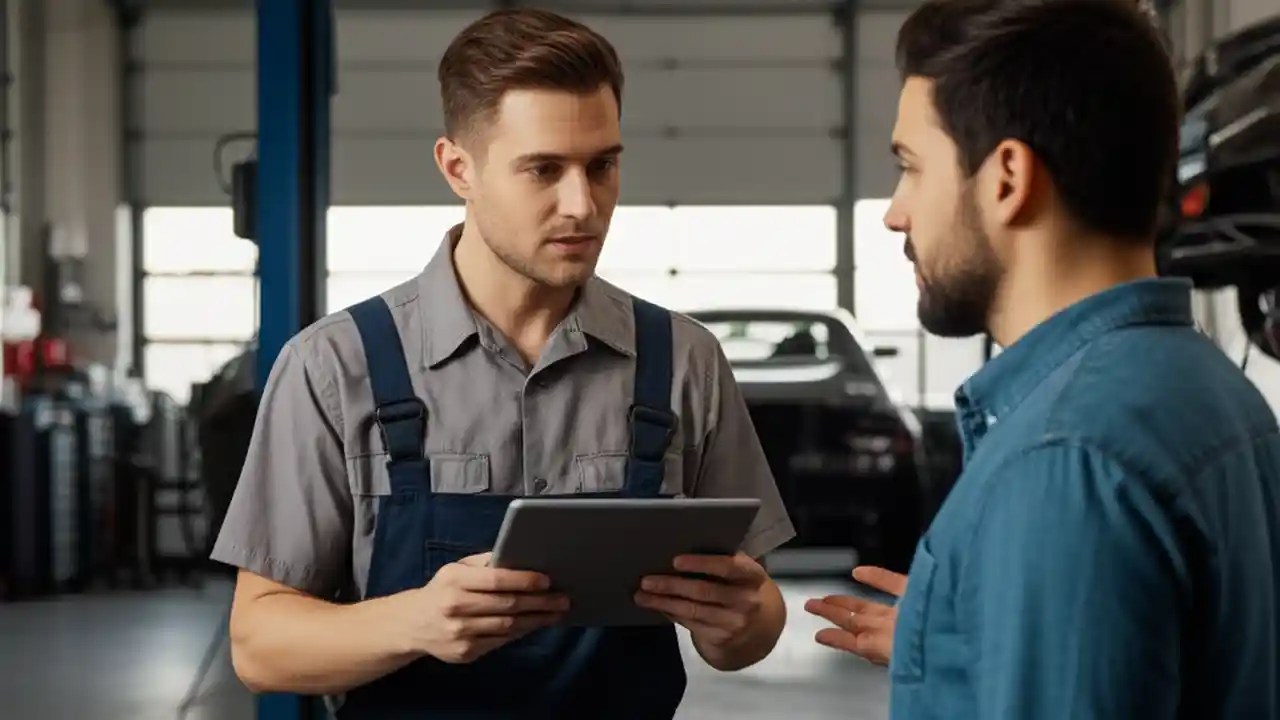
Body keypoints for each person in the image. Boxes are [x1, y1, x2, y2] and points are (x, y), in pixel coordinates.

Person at [210, 8, 795, 719]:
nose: (583, 205)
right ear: (459, 168)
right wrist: (416, 622)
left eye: (602, 166)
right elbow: (259, 645)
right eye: (544, 170)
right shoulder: (335, 368)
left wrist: (744, 623)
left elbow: (752, 622)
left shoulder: (682, 362)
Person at [804, 0, 1280, 718]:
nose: (896, 211)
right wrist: (978, 652)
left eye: (911, 167)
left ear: (1007, 178)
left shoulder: (1067, 459)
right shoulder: (1206, 389)